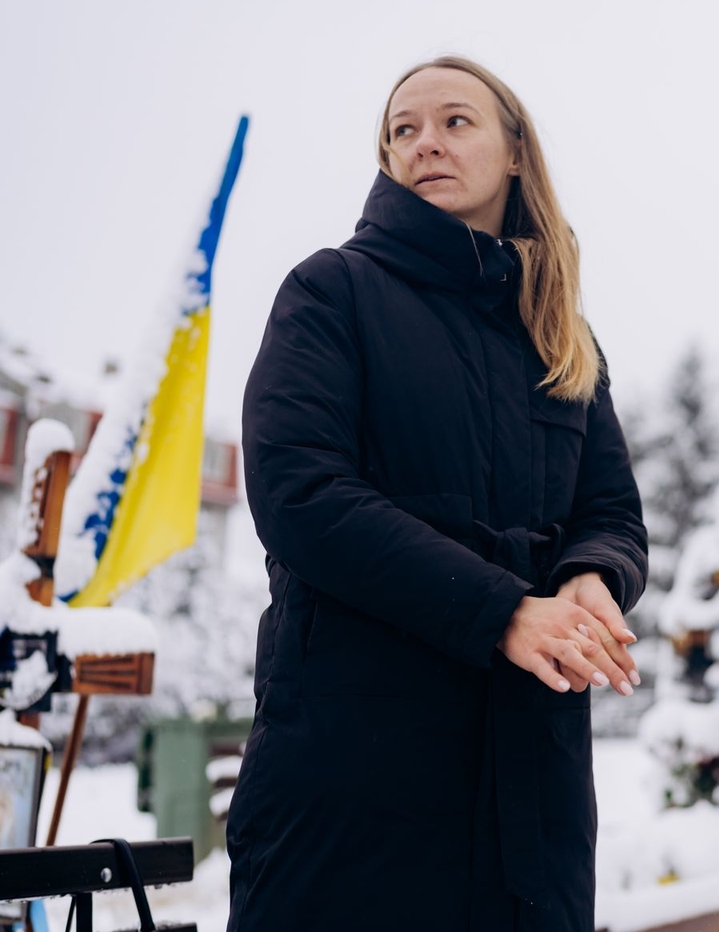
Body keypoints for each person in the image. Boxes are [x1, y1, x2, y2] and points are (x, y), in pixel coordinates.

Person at [226, 56, 648, 932]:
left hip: (532, 784)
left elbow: (609, 511)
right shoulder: (330, 291)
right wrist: (503, 610)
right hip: (353, 775)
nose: (426, 144)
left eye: (455, 122)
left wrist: (590, 579)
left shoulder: (562, 334)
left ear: (516, 152)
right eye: (402, 131)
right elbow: (299, 492)